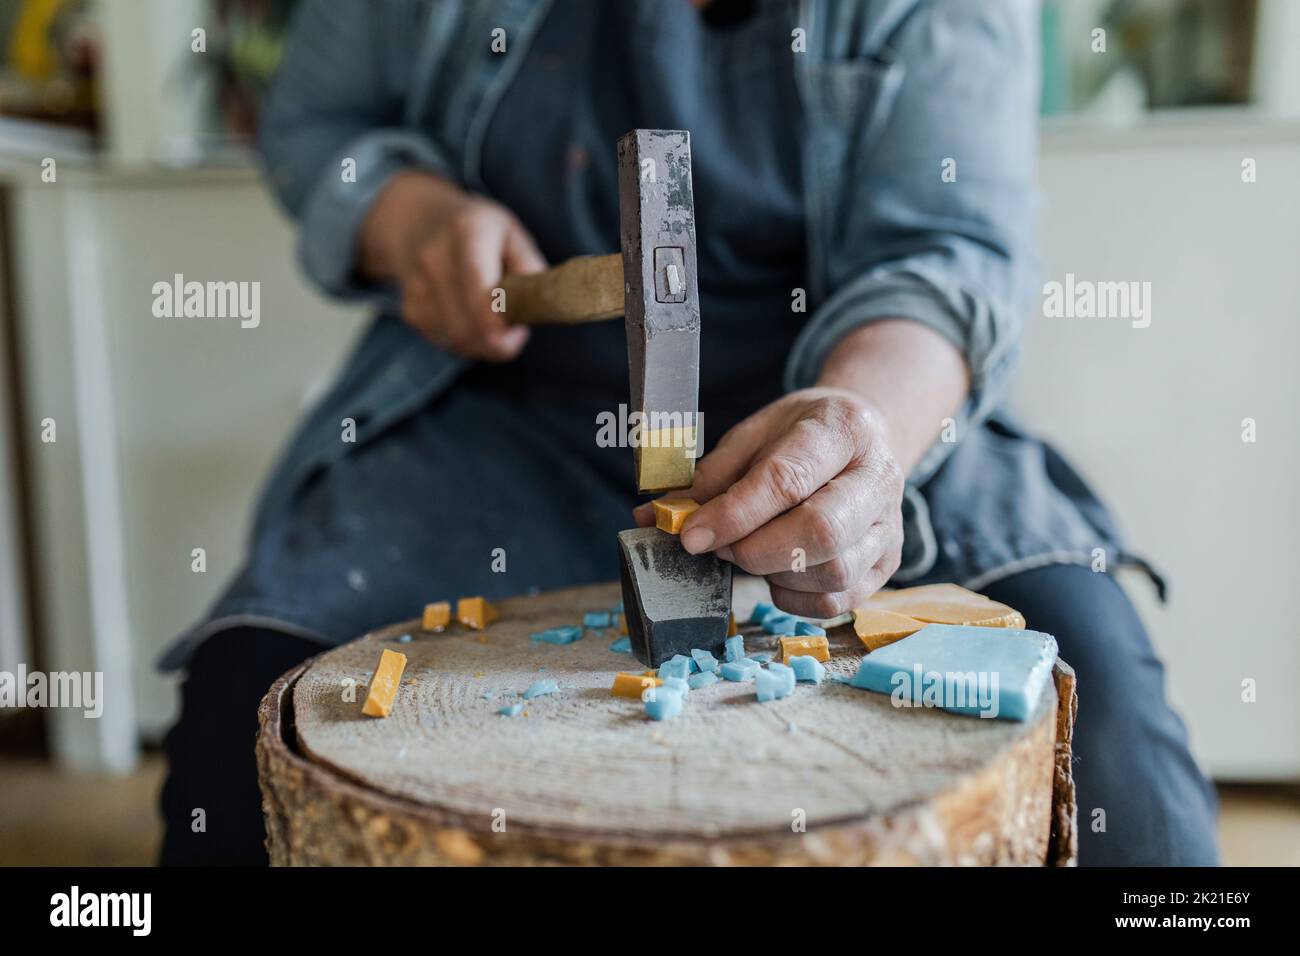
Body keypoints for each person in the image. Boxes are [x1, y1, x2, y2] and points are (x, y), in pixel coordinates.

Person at [159, 0, 1218, 866]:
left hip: (851, 395)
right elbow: (315, 127)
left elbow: (949, 251)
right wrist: (414, 218)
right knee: (253, 688)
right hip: (505, 402)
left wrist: (868, 436)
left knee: (1101, 703)